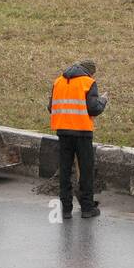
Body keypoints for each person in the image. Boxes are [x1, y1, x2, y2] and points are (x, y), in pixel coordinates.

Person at [48, 60, 107, 218]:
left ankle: (65, 209)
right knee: (86, 170)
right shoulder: (88, 82)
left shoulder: (58, 81)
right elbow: (93, 108)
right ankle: (87, 208)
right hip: (82, 132)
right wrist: (103, 101)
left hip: (62, 132)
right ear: (90, 72)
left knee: (65, 171)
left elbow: (50, 107)